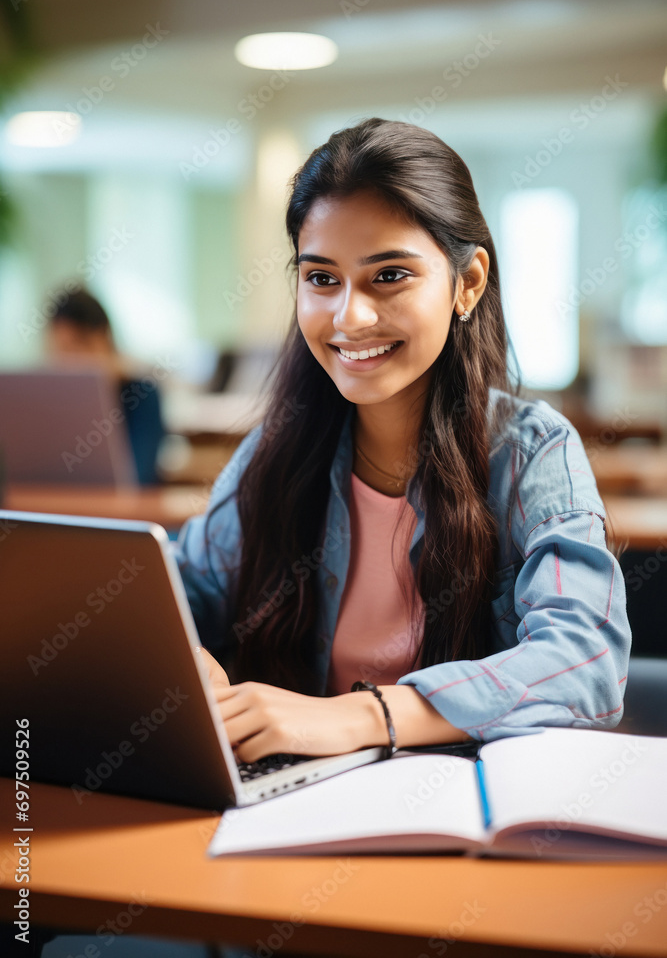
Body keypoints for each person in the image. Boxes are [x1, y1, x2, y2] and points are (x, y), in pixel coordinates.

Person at [175, 118, 631, 764]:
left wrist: (363, 715)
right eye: (321, 278)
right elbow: (177, 596)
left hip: (459, 826)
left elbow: (585, 663)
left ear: (467, 282)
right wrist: (180, 657)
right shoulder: (276, 454)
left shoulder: (529, 453)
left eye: (388, 276)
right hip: (287, 815)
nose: (349, 317)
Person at [44, 285, 166, 485]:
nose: (70, 362)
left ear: (104, 340)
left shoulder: (140, 392)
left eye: (80, 345)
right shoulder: (43, 399)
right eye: (62, 349)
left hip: (122, 512)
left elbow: (138, 478)